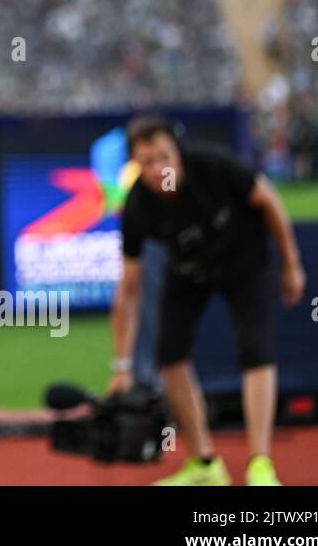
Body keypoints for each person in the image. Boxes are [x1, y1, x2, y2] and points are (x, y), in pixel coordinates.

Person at [107, 116, 307, 486]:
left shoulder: (213, 166)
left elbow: (269, 201)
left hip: (246, 263)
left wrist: (291, 265)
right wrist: (121, 366)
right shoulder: (137, 206)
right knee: (169, 355)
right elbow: (130, 290)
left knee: (255, 351)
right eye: (146, 162)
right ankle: (204, 464)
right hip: (189, 271)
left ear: (178, 154)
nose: (157, 169)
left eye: (164, 157)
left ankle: (260, 465)